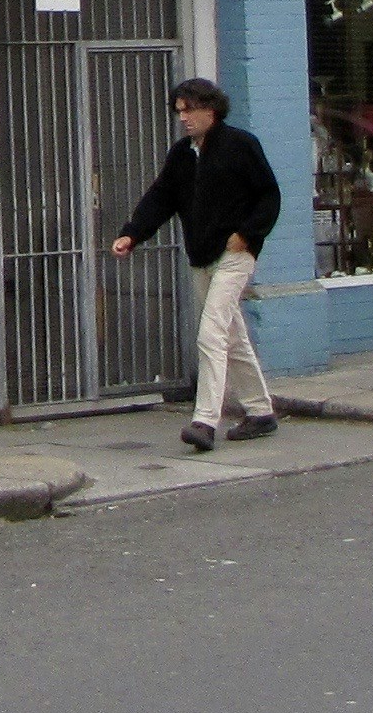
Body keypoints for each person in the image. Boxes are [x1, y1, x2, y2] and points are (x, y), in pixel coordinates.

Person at [112, 76, 285, 452]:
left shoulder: (241, 145)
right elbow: (161, 197)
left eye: (189, 110)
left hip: (235, 253)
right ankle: (260, 413)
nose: (184, 118)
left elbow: (269, 196)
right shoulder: (182, 154)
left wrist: (247, 235)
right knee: (232, 335)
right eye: (179, 112)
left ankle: (205, 421)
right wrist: (133, 233)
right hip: (200, 255)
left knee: (210, 332)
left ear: (211, 108)